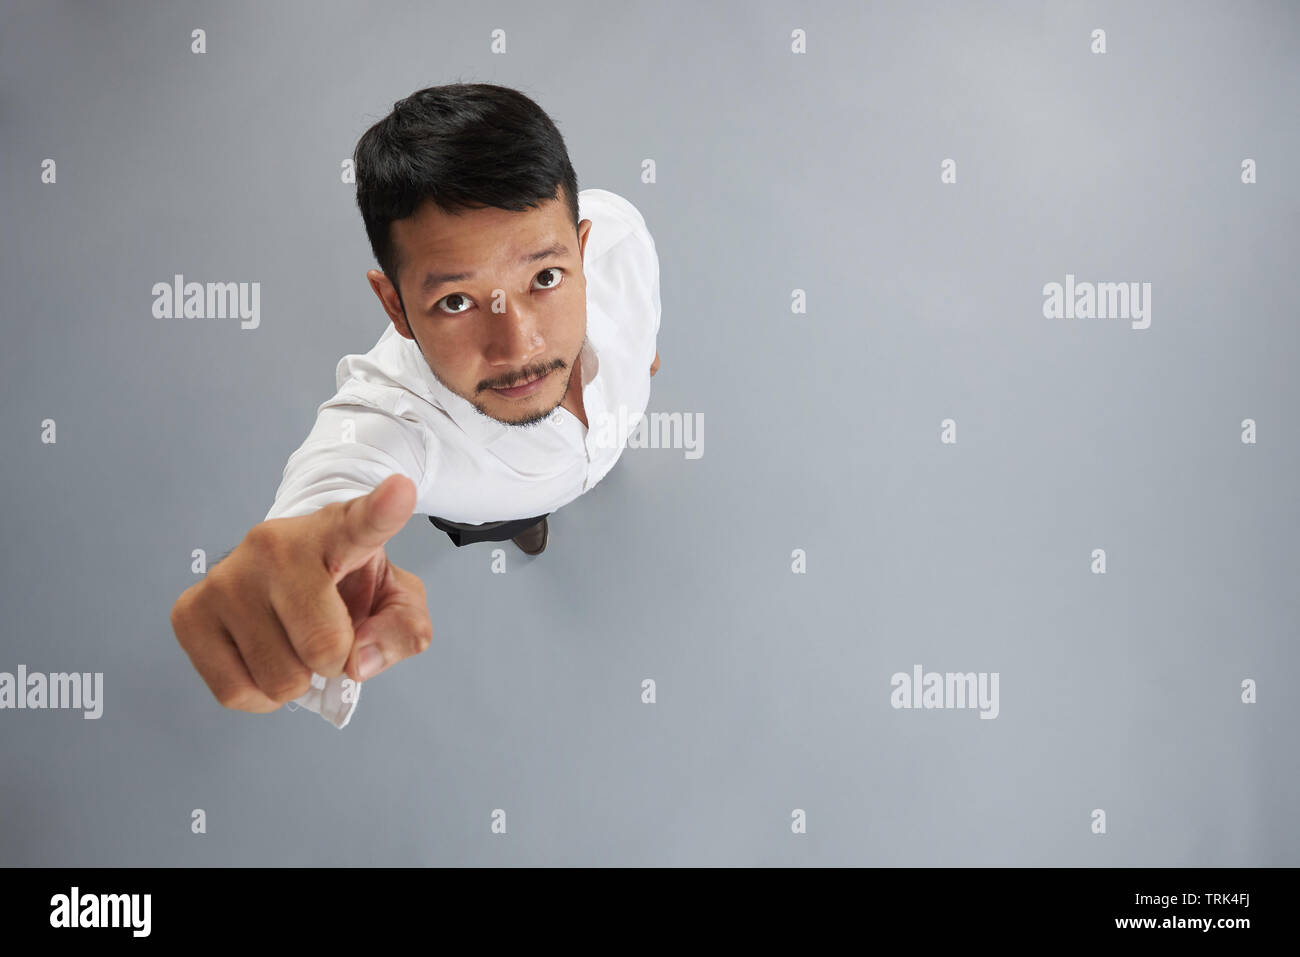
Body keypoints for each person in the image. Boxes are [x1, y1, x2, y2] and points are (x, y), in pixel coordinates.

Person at [169, 82, 661, 728]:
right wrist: (284, 576)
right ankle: (523, 521)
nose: (518, 344)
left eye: (545, 277)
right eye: (456, 301)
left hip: (608, 434)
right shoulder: (392, 418)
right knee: (510, 519)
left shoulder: (619, 236)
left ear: (582, 247)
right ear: (395, 305)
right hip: (492, 508)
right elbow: (330, 488)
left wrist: (638, 360)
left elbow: (640, 314)